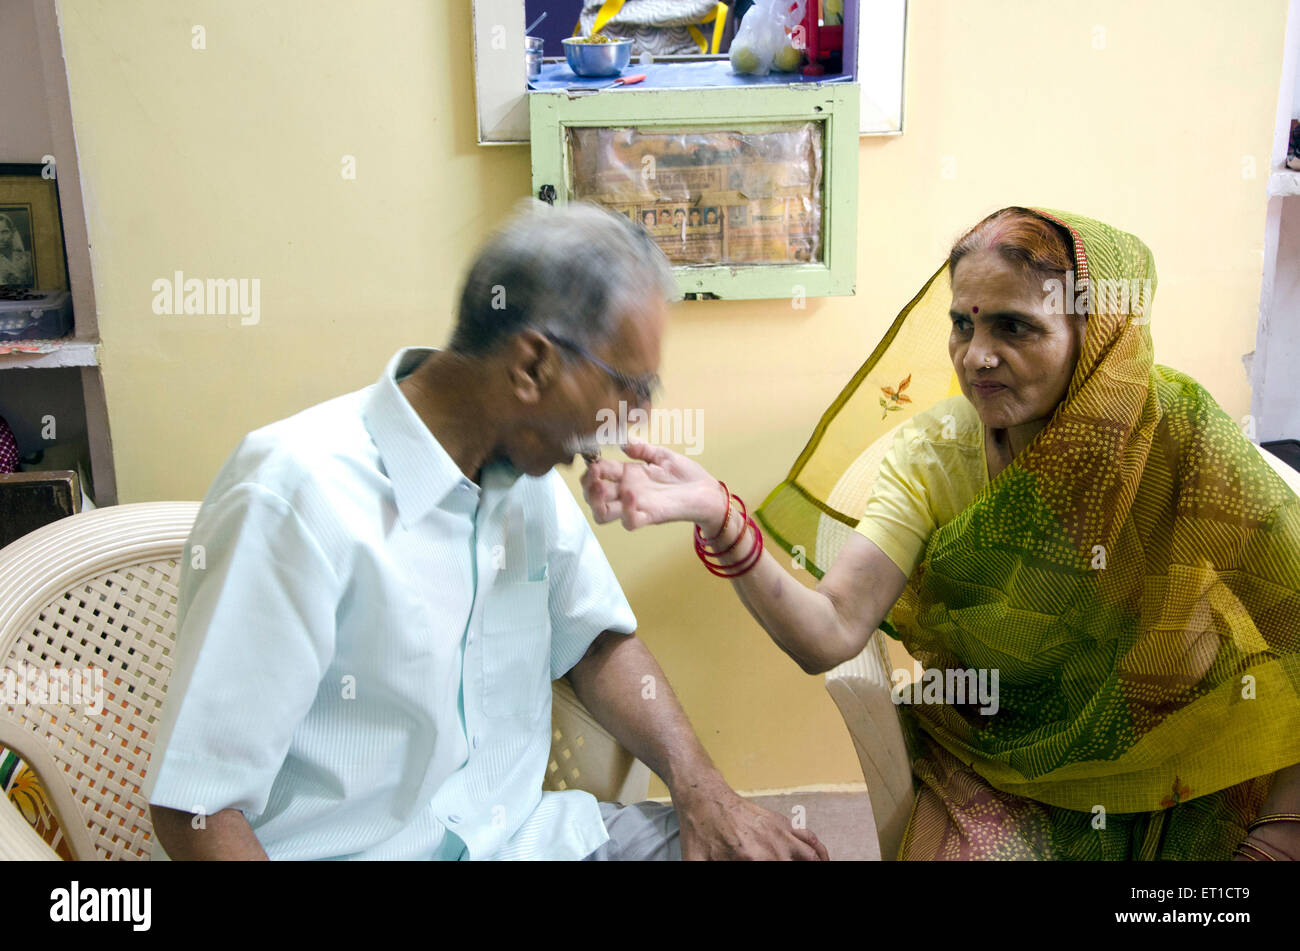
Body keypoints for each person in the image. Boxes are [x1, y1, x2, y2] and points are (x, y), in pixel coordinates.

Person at [582, 206, 1300, 860]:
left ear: (1097, 333)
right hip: (1007, 750)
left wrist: (1283, 828)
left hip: (1186, 742)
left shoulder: (1178, 432)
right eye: (963, 323)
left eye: (1014, 327)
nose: (975, 356)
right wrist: (720, 517)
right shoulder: (932, 457)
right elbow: (830, 629)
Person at [144, 200, 828, 862]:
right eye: (629, 387)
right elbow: (197, 809)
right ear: (533, 366)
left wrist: (703, 791)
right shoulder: (296, 492)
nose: (634, 419)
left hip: (532, 840)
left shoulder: (527, 483)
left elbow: (596, 642)